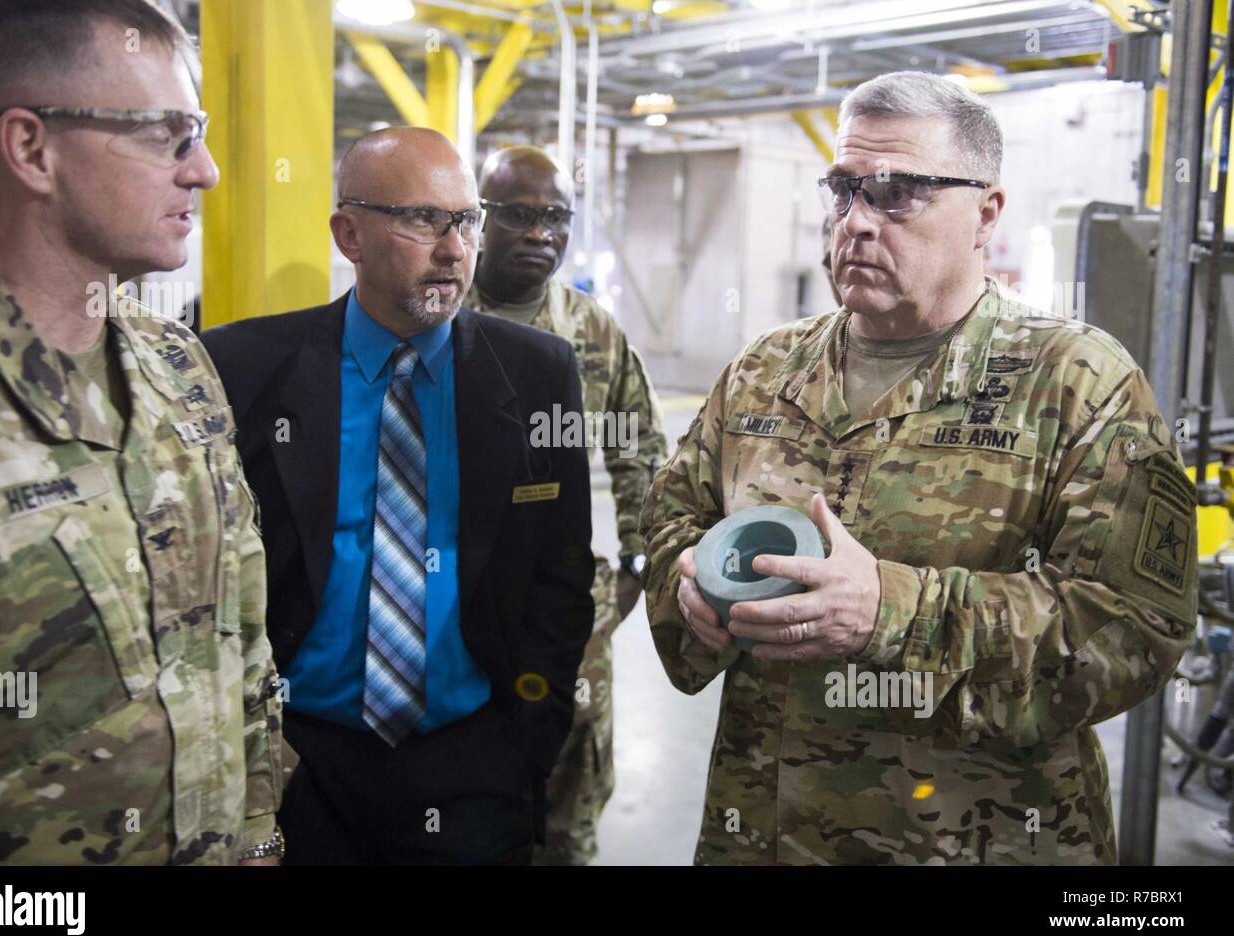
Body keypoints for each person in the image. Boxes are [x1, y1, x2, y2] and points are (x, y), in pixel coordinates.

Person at [639, 70, 1197, 865]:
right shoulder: (765, 370)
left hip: (972, 837)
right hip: (761, 828)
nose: (856, 222)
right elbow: (668, 520)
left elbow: (1138, 626)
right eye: (844, 189)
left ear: (986, 214)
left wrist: (890, 612)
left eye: (897, 192)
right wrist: (688, 580)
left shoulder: (1078, 383)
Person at [0, 0, 283, 865]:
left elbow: (243, 645)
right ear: (29, 149)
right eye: (167, 134)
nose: (203, 170)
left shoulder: (178, 365)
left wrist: (259, 835)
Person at [202, 128, 595, 865]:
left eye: (467, 220)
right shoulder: (242, 367)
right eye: (422, 219)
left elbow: (563, 572)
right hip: (298, 765)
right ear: (348, 233)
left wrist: (525, 745)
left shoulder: (540, 372)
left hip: (474, 763)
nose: (455, 249)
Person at [464, 145, 667, 865]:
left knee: (571, 788)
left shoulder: (594, 332)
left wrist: (637, 563)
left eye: (556, 217)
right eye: (519, 215)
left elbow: (641, 450)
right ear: (480, 219)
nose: (541, 234)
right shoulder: (437, 322)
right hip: (453, 606)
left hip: (570, 609)